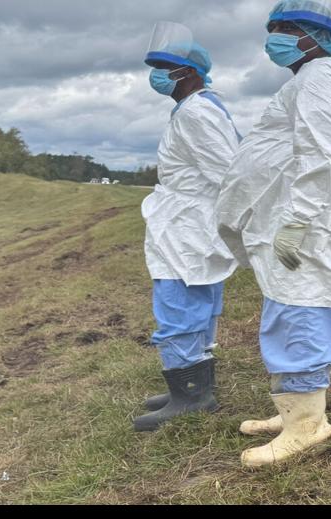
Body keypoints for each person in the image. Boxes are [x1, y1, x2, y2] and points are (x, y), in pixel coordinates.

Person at [216, 0, 331, 467]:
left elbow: (321, 153)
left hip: (307, 216)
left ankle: (308, 424)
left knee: (298, 307)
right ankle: (296, 411)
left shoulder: (322, 76)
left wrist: (297, 221)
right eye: (273, 28)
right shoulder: (322, 76)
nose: (275, 37)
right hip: (306, 212)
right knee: (295, 303)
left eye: (286, 28)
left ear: (314, 34)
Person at [134, 22, 241, 432]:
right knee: (194, 301)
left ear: (190, 71)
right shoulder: (194, 109)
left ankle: (190, 393)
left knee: (178, 304)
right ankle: (193, 386)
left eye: (166, 65)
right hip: (187, 224)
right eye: (156, 64)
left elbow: (227, 172)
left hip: (187, 227)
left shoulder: (197, 112)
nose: (158, 74)